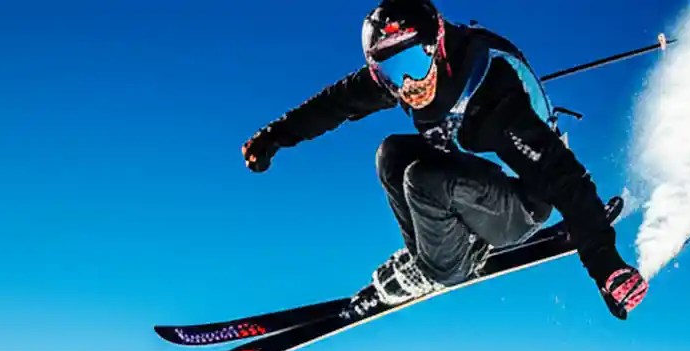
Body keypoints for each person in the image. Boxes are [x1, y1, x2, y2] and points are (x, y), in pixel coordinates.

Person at [241, 0, 648, 318]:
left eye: (414, 64)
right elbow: (335, 104)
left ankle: (444, 269)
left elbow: (564, 178)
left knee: (424, 180)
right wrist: (274, 137)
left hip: (522, 204)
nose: (408, 85)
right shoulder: (400, 80)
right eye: (391, 72)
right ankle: (432, 254)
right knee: (392, 154)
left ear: (437, 46)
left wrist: (605, 265)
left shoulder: (494, 100)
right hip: (474, 183)